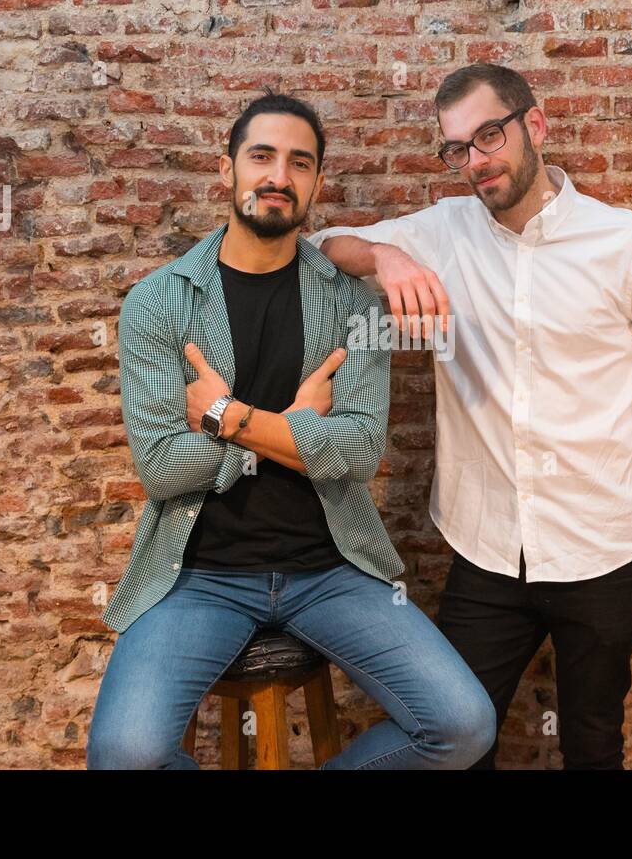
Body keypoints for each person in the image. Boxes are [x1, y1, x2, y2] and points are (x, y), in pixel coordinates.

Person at [306, 64, 632, 769]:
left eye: (488, 136)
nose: (476, 161)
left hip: (605, 545)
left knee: (594, 740)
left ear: (535, 125)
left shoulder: (629, 243)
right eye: (457, 148)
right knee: (460, 739)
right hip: (488, 548)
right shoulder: (446, 231)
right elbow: (324, 245)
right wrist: (386, 255)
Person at [87, 90, 497, 769]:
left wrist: (227, 418)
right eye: (262, 157)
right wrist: (300, 432)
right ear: (228, 171)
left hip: (331, 569)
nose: (280, 175)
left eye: (300, 163)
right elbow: (161, 468)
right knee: (124, 755)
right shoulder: (159, 302)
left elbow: (359, 452)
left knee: (461, 724)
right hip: (200, 574)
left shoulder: (351, 300)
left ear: (316, 184)